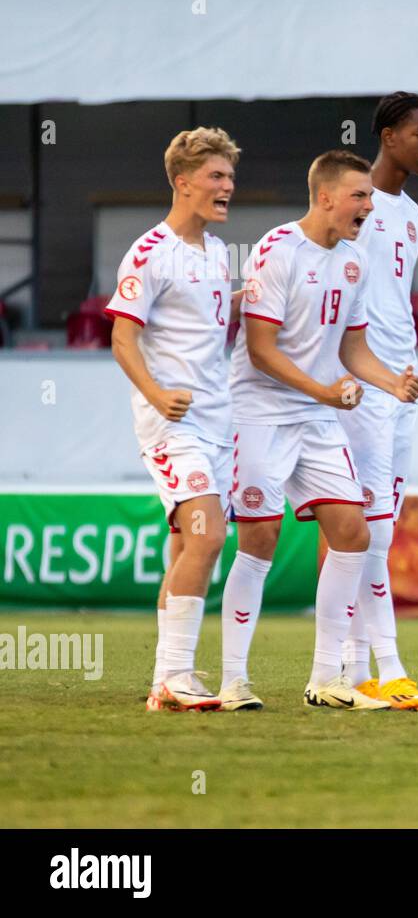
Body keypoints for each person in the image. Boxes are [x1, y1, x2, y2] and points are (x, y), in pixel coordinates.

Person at [222, 150, 418, 710]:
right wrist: (326, 393)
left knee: (354, 535)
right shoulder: (277, 249)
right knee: (258, 542)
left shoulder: (354, 262)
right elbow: (260, 351)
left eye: (370, 197)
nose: (368, 206)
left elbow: (352, 348)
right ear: (326, 196)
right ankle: (234, 679)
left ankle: (325, 678)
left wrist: (391, 383)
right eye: (360, 196)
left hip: (315, 418)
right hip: (261, 413)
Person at [105, 127, 240, 712]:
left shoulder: (215, 253)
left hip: (218, 420)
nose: (227, 186)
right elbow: (122, 336)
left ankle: (166, 683)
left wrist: (252, 296)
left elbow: (205, 318)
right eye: (216, 176)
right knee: (208, 536)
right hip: (172, 423)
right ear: (183, 183)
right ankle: (176, 676)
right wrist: (158, 395)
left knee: (191, 544)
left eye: (230, 177)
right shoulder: (148, 251)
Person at [334, 92, 418, 710]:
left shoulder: (415, 217)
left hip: (403, 383)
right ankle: (387, 667)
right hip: (362, 384)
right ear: (388, 134)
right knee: (367, 530)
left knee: (379, 531)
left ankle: (350, 672)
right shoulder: (351, 203)